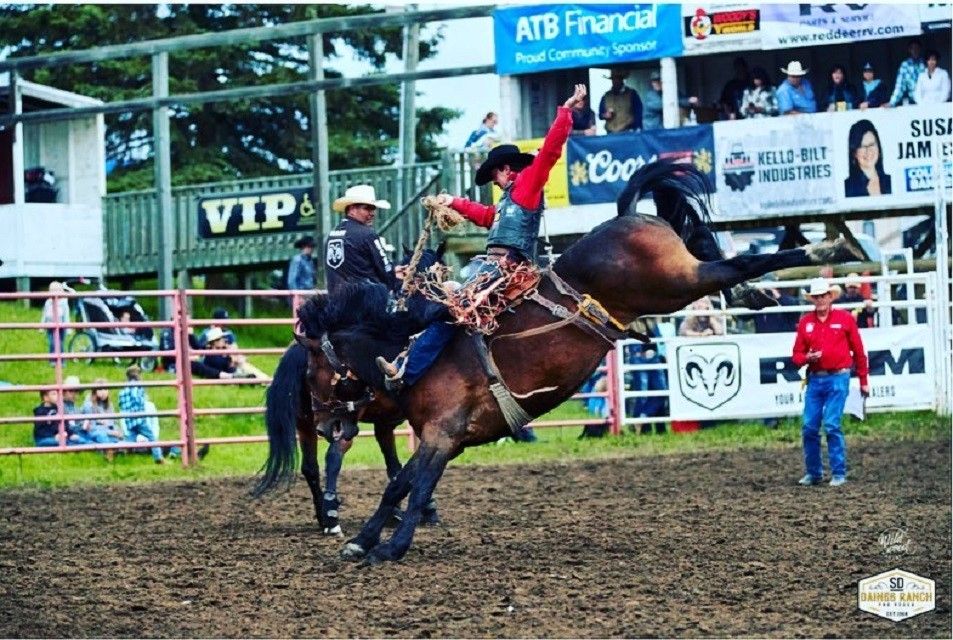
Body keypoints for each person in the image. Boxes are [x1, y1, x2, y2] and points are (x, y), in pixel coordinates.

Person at [377, 84, 588, 389]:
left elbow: (551, 149)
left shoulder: (528, 183)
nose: (495, 182)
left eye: (495, 176)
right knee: (446, 295)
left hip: (506, 267)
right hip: (491, 267)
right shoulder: (510, 199)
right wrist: (453, 202)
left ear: (505, 169)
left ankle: (407, 370)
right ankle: (410, 360)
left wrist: (566, 110)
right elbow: (487, 216)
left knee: (454, 308)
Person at [792, 278, 868, 487]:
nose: (820, 300)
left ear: (830, 297)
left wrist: (863, 379)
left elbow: (859, 351)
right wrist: (808, 358)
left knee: (832, 424)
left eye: (823, 296)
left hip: (838, 377)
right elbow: (796, 355)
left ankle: (838, 472)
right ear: (813, 299)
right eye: (816, 297)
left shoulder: (845, 319)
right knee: (809, 427)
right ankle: (815, 472)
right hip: (816, 378)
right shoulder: (806, 322)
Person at [325, 184, 397, 295]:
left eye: (373, 208)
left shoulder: (332, 235)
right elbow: (385, 270)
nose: (372, 213)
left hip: (337, 303)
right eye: (367, 208)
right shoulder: (367, 234)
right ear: (352, 209)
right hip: (366, 302)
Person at [117, 365, 165, 464]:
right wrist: (140, 402)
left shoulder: (123, 390)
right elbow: (136, 397)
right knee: (152, 437)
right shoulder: (136, 387)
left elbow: (121, 404)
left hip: (129, 420)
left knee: (130, 437)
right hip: (138, 418)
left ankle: (120, 451)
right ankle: (158, 458)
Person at [844, 119, 892, 198]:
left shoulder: (890, 181)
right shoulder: (847, 187)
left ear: (878, 147)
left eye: (871, 144)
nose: (868, 151)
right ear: (854, 153)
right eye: (862, 146)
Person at [202, 327, 268, 379]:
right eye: (221, 338)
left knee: (244, 365)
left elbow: (235, 360)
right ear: (215, 342)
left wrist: (234, 357)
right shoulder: (211, 355)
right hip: (229, 375)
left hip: (233, 372)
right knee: (243, 366)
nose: (224, 340)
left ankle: (264, 379)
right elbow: (229, 368)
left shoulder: (220, 351)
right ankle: (264, 380)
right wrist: (233, 359)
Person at [887, 39, 926, 107]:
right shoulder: (905, 65)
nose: (915, 51)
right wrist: (892, 102)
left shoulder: (926, 63)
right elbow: (900, 86)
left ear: (920, 49)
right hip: (912, 101)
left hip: (927, 100)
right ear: (909, 50)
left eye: (917, 48)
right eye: (912, 48)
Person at [41, 281, 70, 366]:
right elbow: (45, 314)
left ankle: (61, 361)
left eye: (57, 290)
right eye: (52, 290)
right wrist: (42, 326)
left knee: (60, 343)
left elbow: (66, 316)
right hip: (50, 326)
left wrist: (68, 328)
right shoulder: (48, 302)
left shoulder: (64, 302)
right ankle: (52, 360)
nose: (54, 292)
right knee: (52, 343)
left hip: (61, 327)